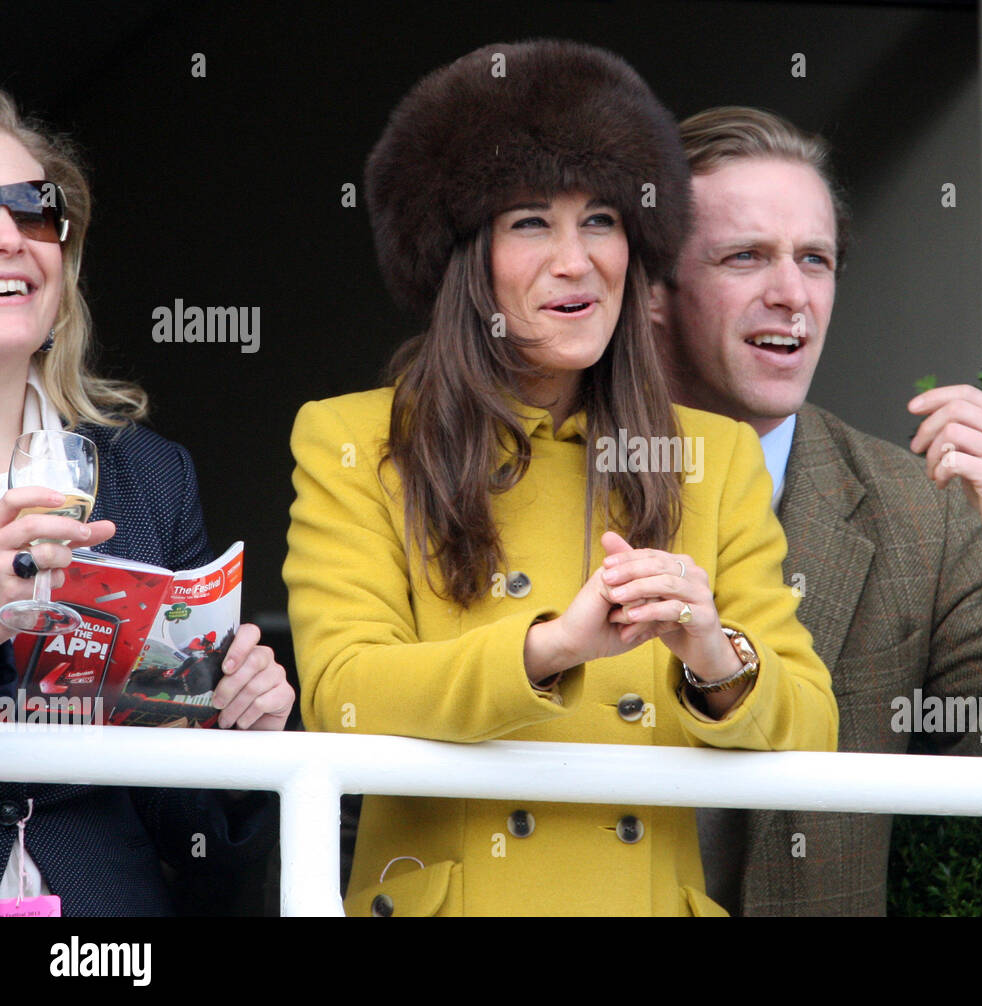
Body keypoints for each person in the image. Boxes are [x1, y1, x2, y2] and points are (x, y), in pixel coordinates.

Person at [283, 41, 836, 917]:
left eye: (602, 221)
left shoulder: (714, 454)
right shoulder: (351, 437)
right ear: (468, 259)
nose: (577, 261)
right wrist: (551, 649)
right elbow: (343, 694)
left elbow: (813, 725)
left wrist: (710, 655)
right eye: (532, 222)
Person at [652, 106, 982, 916]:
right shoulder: (545, 476)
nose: (792, 296)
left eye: (816, 259)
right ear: (654, 289)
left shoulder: (918, 508)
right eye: (745, 257)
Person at [0, 91, 295, 915]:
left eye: (33, 210)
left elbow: (184, 828)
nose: (8, 238)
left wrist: (240, 742)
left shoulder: (150, 475)